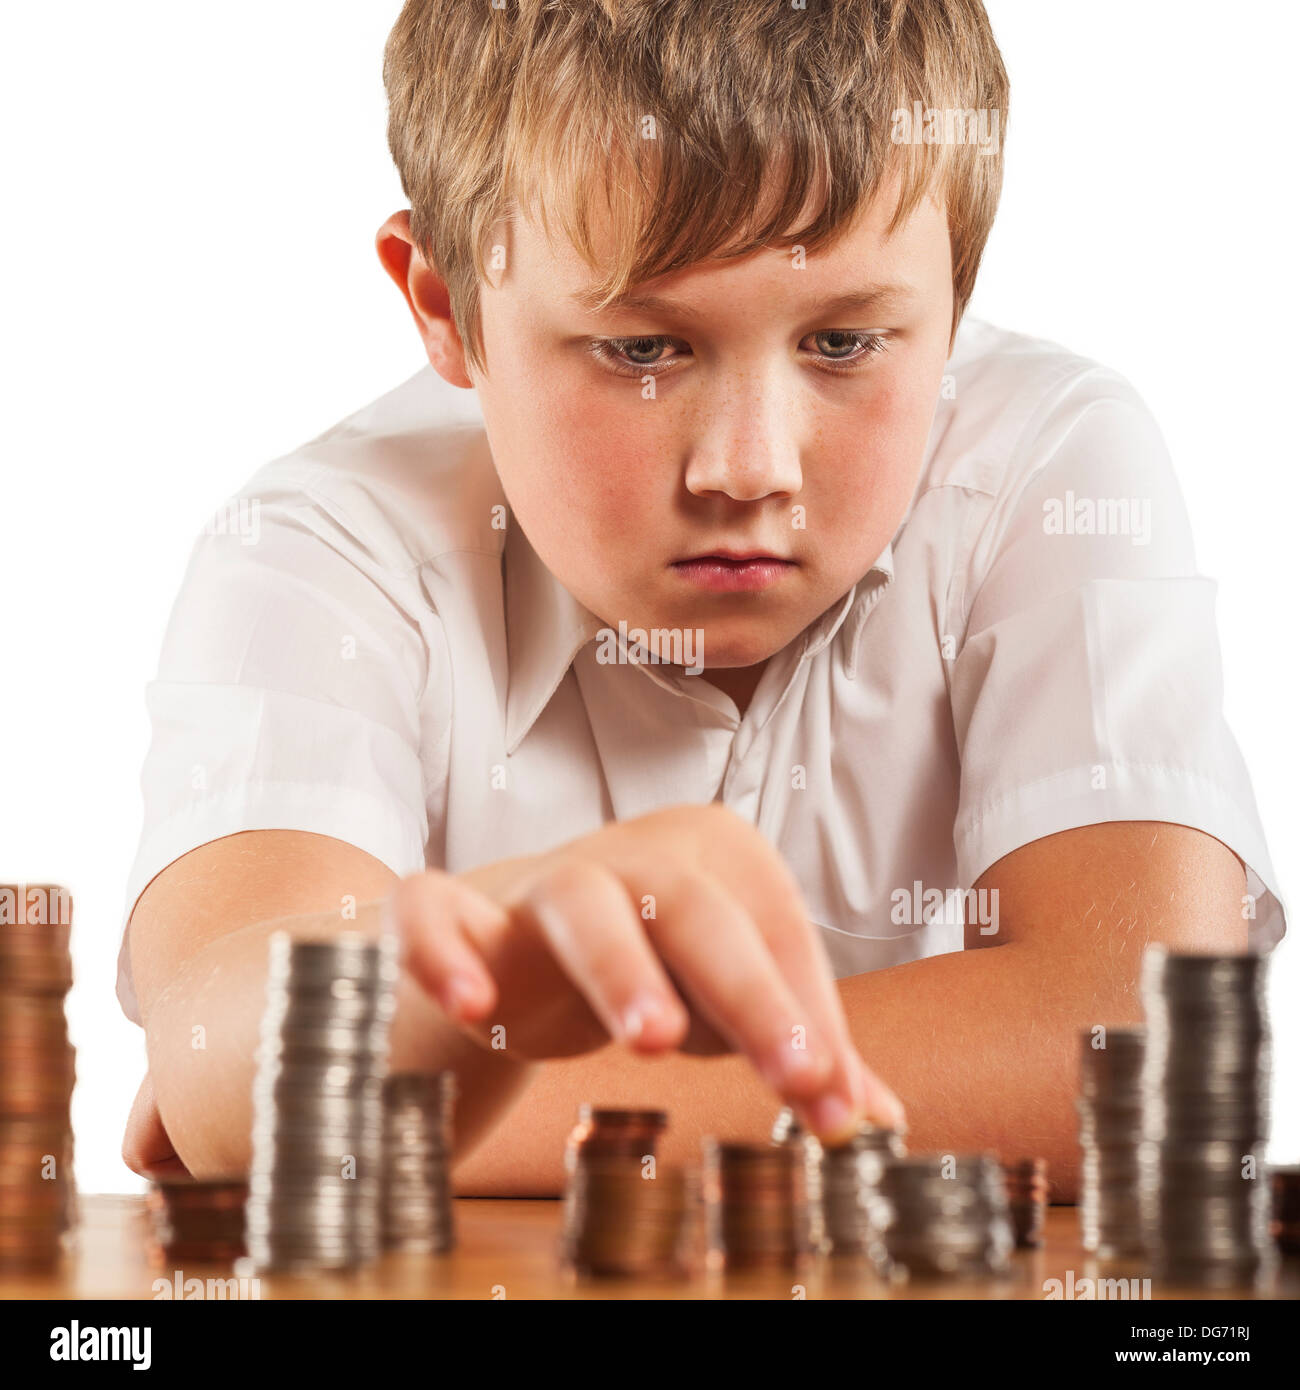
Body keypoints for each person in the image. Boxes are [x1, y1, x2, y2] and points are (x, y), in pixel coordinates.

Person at [118, 0, 1284, 1197]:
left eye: (842, 344)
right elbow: (231, 1066)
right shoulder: (324, 543)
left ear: (955, 293)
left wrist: (398, 1096)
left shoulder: (1049, 456)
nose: (748, 467)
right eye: (641, 350)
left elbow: (1154, 1063)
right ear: (443, 303)